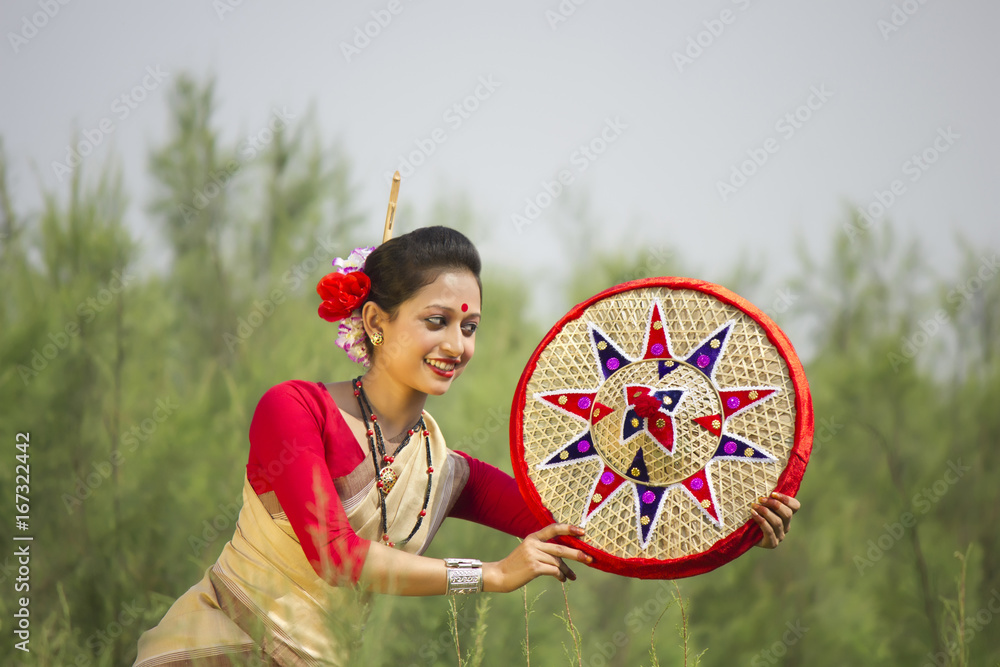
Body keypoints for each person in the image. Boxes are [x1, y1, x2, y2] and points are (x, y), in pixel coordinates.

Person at [134, 225, 799, 665]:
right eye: (437, 320)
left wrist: (737, 526)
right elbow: (337, 557)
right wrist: (492, 575)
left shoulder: (444, 471)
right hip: (213, 650)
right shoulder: (294, 410)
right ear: (375, 320)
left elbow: (599, 533)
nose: (457, 344)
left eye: (470, 326)